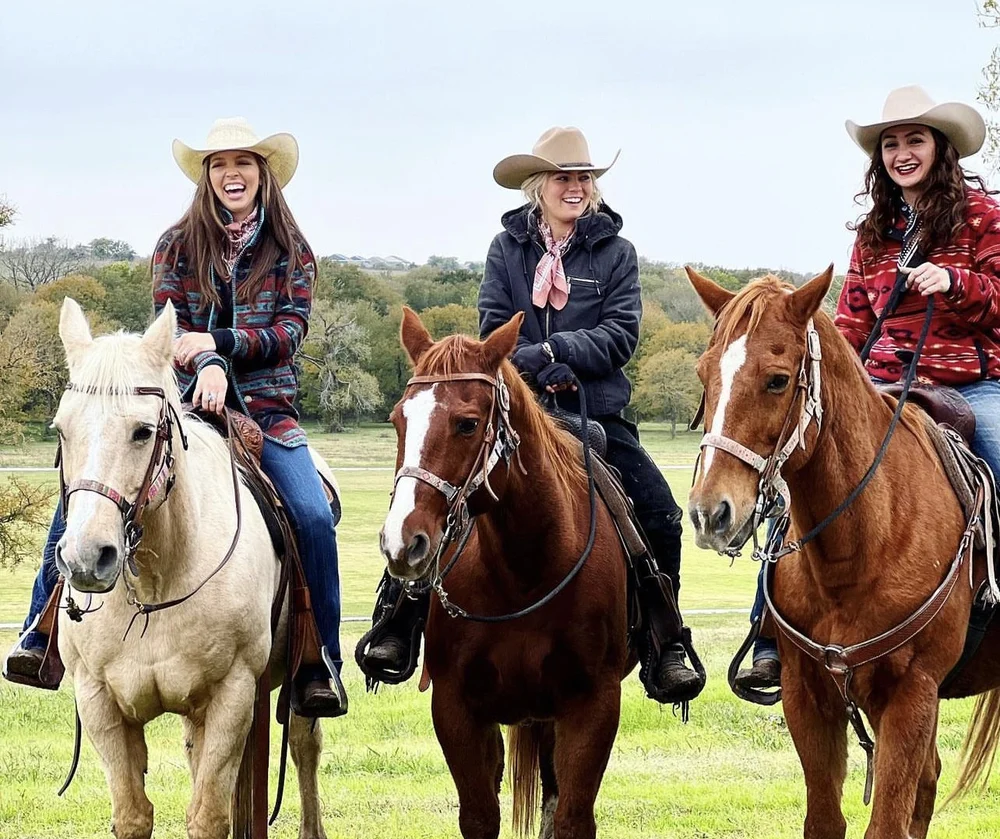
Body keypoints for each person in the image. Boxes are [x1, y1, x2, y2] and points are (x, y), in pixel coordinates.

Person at [5, 117, 347, 719]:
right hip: (183, 406)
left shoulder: (293, 253)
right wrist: (204, 359)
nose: (231, 174)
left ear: (262, 175)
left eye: (242, 163)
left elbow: (288, 334)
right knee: (89, 489)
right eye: (219, 164)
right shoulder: (175, 246)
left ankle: (319, 662)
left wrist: (219, 348)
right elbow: (172, 330)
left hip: (268, 410)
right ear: (206, 177)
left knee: (313, 516)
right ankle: (41, 629)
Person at [360, 127, 704, 705]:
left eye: (584, 178)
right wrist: (530, 369)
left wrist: (555, 352)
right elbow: (493, 320)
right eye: (563, 178)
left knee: (660, 513)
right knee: (450, 490)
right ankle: (399, 619)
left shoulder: (617, 253)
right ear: (538, 187)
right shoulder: (506, 250)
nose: (575, 187)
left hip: (594, 412)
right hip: (507, 410)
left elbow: (621, 335)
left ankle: (664, 641)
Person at [737, 85, 997, 693]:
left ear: (941, 148)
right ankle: (769, 631)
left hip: (973, 380)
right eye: (891, 144)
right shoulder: (875, 231)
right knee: (801, 473)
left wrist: (955, 282)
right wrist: (834, 374)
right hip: (881, 381)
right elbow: (852, 318)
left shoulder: (986, 219)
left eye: (915, 140)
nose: (903, 152)